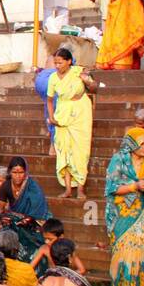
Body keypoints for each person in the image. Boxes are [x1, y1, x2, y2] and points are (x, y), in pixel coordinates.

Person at [105, 127, 144, 286]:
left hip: (142, 215)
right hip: (122, 215)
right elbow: (111, 187)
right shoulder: (119, 160)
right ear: (132, 144)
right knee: (124, 257)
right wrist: (134, 186)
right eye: (141, 143)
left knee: (142, 256)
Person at [45, 48, 95, 199]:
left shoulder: (78, 72)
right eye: (55, 63)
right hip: (62, 113)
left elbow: (95, 88)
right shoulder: (53, 77)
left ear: (68, 61)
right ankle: (67, 189)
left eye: (60, 62)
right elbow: (49, 99)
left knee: (81, 151)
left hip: (81, 113)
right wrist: (52, 117)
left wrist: (86, 80)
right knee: (63, 151)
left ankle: (80, 188)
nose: (57, 65)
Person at [95, 0, 144, 70]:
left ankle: (118, 63)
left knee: (118, 37)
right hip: (128, 15)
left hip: (120, 15)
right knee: (127, 39)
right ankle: (126, 63)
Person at [0, 157, 51, 259]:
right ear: (9, 172)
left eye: (21, 172)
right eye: (14, 172)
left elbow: (38, 208)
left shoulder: (32, 187)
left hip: (34, 219)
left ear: (25, 172)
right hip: (16, 217)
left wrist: (28, 219)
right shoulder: (6, 186)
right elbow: (1, 209)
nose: (18, 176)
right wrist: (3, 218)